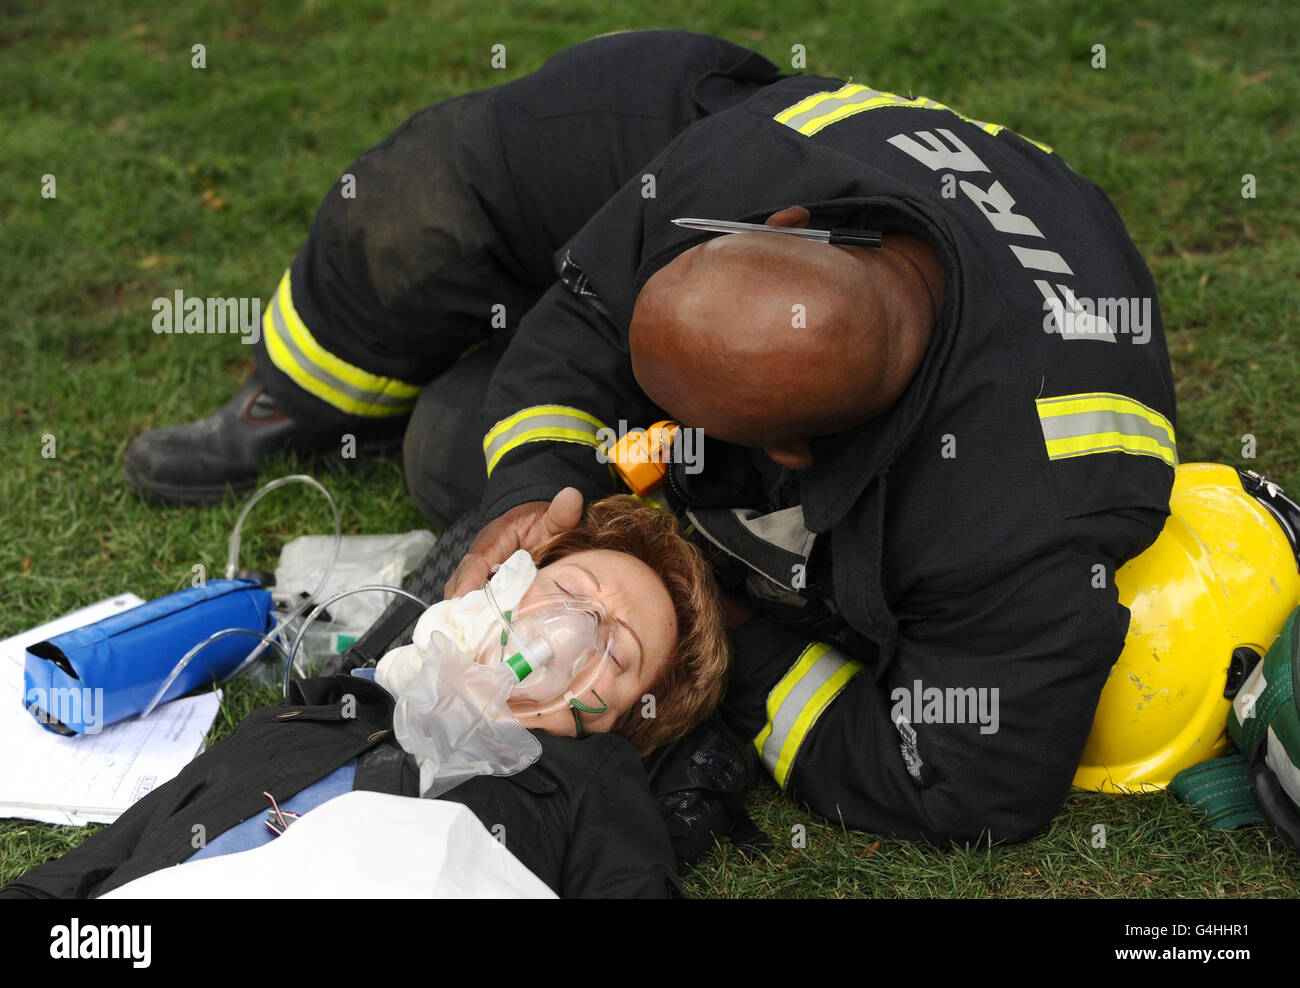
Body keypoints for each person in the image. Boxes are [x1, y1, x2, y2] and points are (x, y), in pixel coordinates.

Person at [123, 31, 1177, 846]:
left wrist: (722, 638)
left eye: (691, 431)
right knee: (420, 202)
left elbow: (955, 776)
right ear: (783, 228)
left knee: (445, 445)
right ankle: (292, 396)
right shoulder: (747, 172)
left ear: (792, 455)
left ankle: (473, 400)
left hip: (968, 412)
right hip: (693, 127)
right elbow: (584, 323)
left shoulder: (1027, 504)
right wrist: (533, 484)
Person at [0, 497, 731, 899]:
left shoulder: (588, 779)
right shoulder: (306, 715)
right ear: (502, 593)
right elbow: (124, 842)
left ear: (625, 717)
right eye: (568, 593)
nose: (576, 630)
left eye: (619, 651)